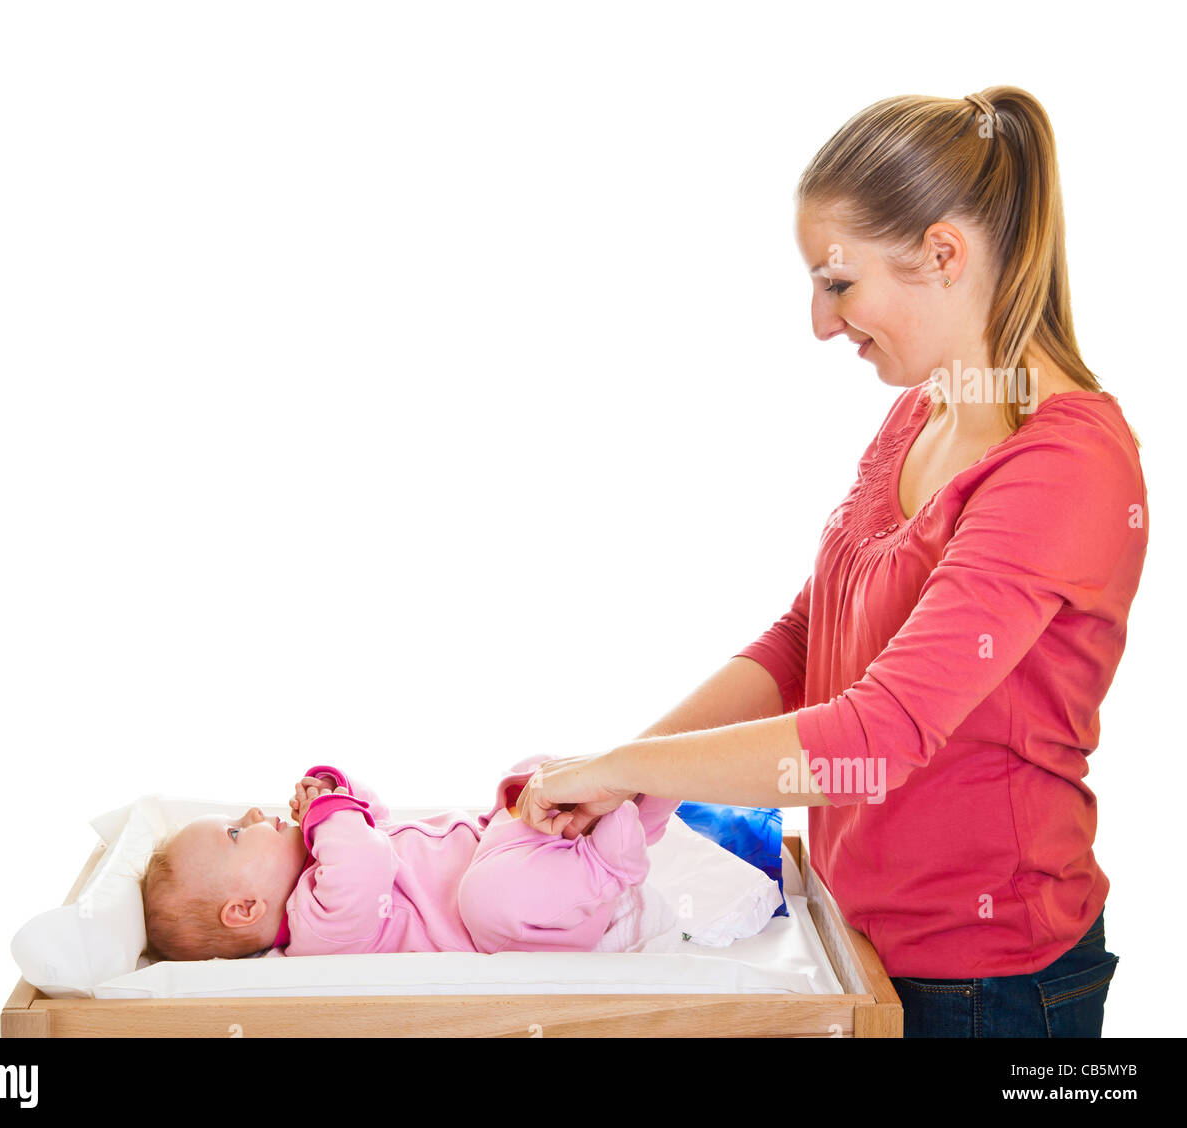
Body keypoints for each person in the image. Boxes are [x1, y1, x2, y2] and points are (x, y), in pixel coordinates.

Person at [514, 87, 1147, 1038]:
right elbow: (808, 638)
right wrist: (630, 773)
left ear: (942, 254)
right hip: (864, 947)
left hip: (993, 988)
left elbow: (876, 737)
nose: (818, 322)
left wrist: (629, 764)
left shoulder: (1065, 466)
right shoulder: (925, 412)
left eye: (839, 285)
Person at [138, 762, 679, 962]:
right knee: (489, 896)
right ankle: (610, 866)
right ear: (244, 909)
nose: (255, 811)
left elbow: (372, 816)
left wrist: (336, 787)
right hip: (522, 923)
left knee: (531, 778)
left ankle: (633, 798)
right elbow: (365, 861)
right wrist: (327, 812)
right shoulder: (316, 929)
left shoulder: (323, 846)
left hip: (503, 846)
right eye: (236, 831)